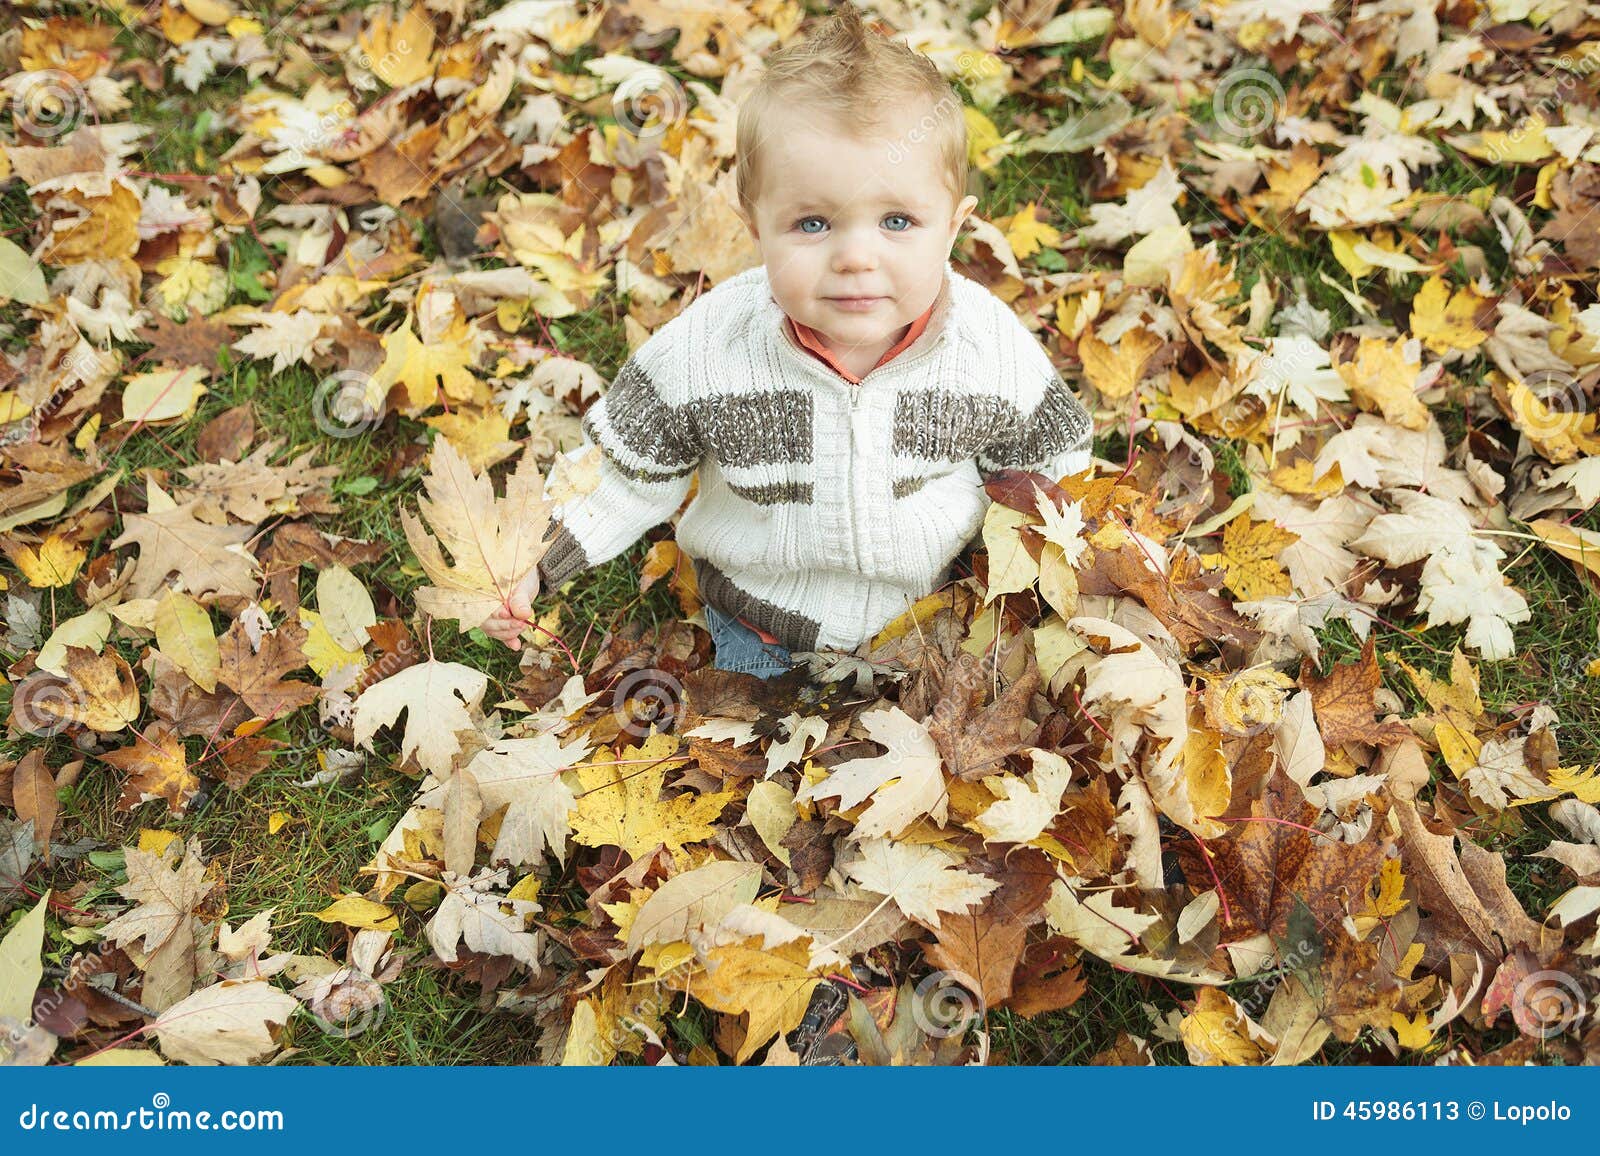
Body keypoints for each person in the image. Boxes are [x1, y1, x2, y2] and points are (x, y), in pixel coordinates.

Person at [482, 5, 1093, 678]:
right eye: (812, 224)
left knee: (965, 722)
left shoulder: (983, 346)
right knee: (768, 732)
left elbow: (1050, 458)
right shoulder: (710, 351)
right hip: (766, 620)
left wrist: (1072, 556)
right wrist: (530, 559)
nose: (856, 257)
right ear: (756, 227)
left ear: (952, 227)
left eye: (896, 221)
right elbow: (621, 467)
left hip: (939, 610)